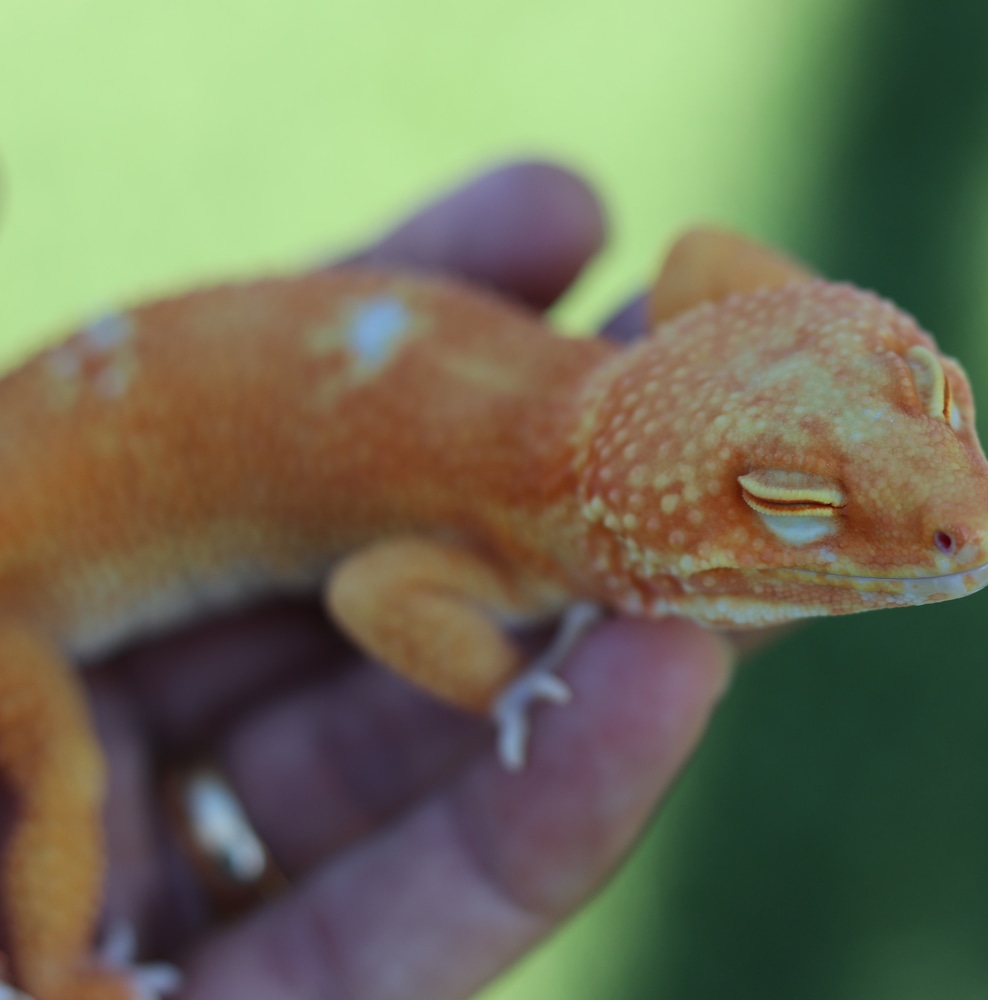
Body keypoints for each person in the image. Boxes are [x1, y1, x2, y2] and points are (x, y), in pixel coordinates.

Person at [84, 160, 734, 999]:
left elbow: (705, 260)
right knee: (64, 776)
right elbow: (373, 595)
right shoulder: (532, 530)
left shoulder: (577, 416)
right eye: (789, 500)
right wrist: (503, 683)